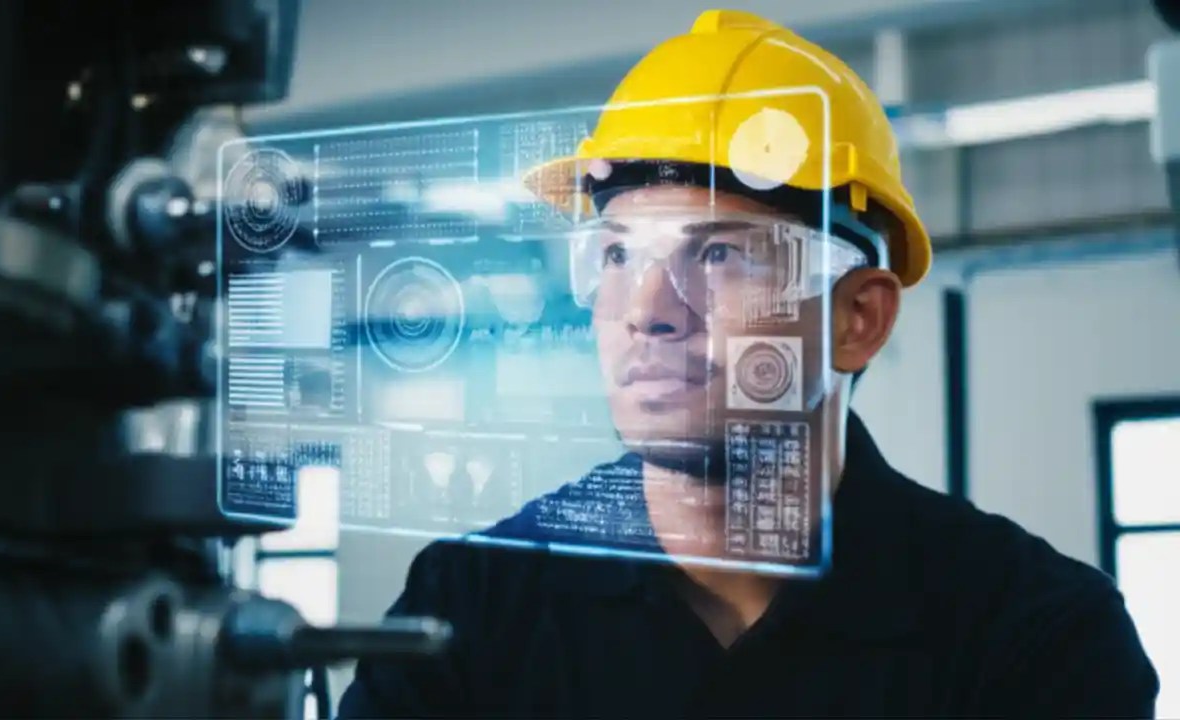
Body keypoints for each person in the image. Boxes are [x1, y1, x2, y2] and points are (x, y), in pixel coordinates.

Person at [338, 9, 1159, 718]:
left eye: (721, 253)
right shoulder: (468, 614)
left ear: (858, 317)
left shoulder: (1033, 636)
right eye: (619, 255)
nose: (648, 310)